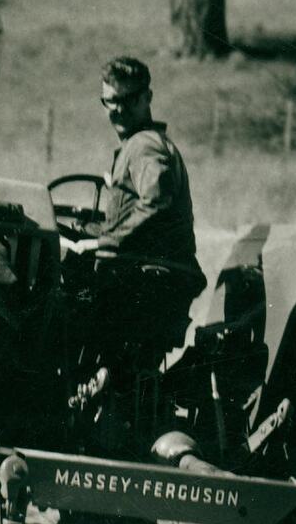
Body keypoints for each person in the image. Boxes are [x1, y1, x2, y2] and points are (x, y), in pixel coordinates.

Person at [63, 57, 205, 360]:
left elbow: (157, 201)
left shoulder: (144, 145)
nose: (118, 109)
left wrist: (105, 242)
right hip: (157, 273)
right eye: (110, 101)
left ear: (147, 97)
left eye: (128, 99)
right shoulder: (142, 144)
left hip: (148, 277)